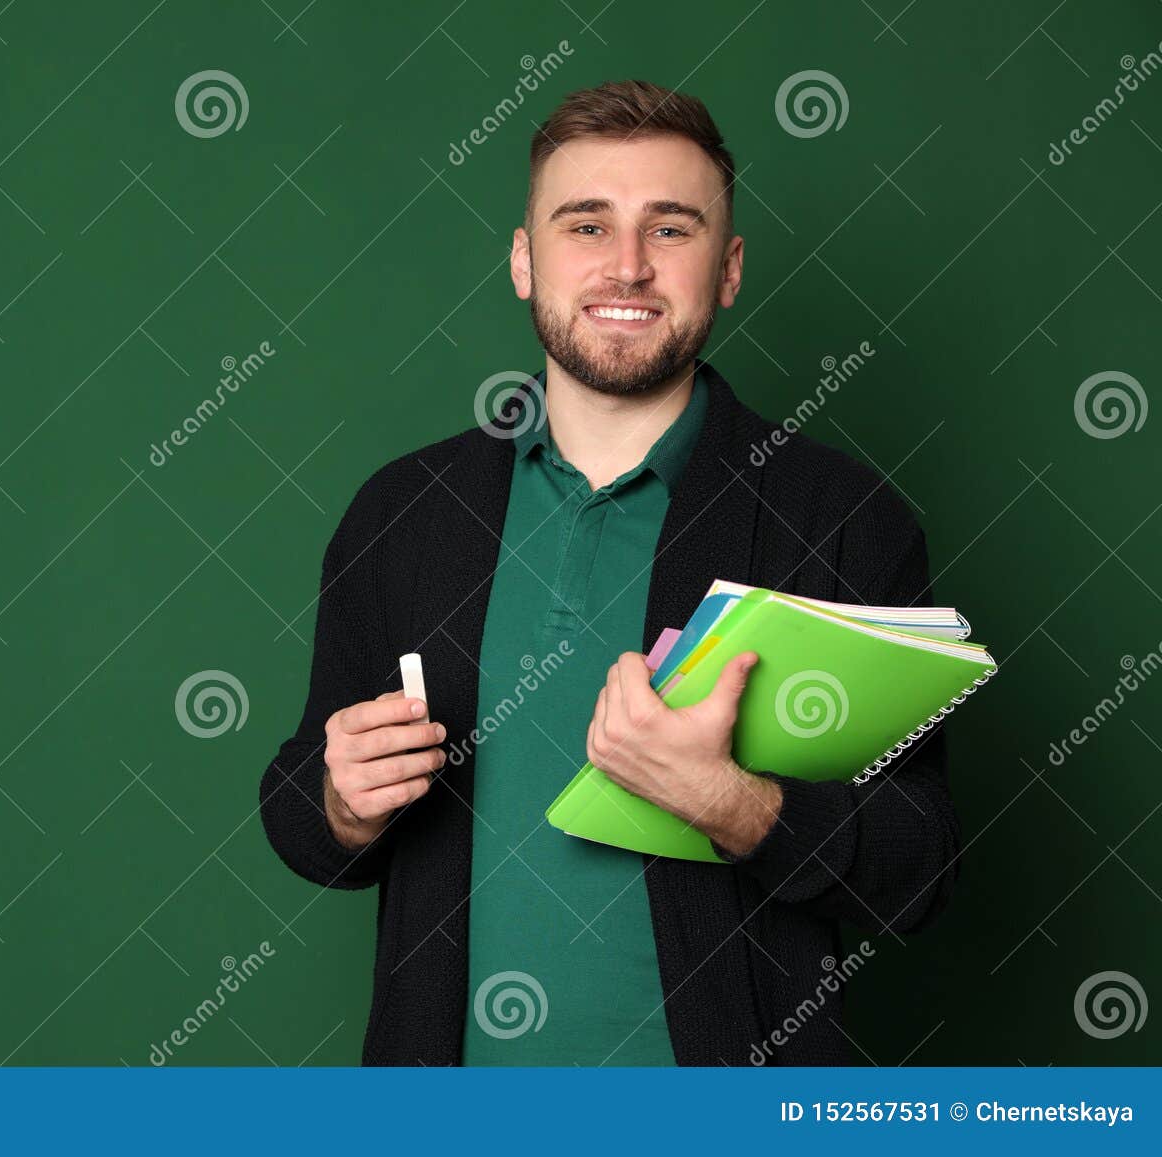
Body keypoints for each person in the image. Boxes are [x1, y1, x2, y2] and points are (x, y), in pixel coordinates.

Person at [259, 79, 959, 1066]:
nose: (626, 265)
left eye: (670, 230)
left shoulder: (840, 517)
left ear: (727, 267)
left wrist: (737, 804)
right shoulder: (403, 514)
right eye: (585, 225)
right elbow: (300, 808)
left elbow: (920, 869)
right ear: (522, 259)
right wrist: (339, 801)